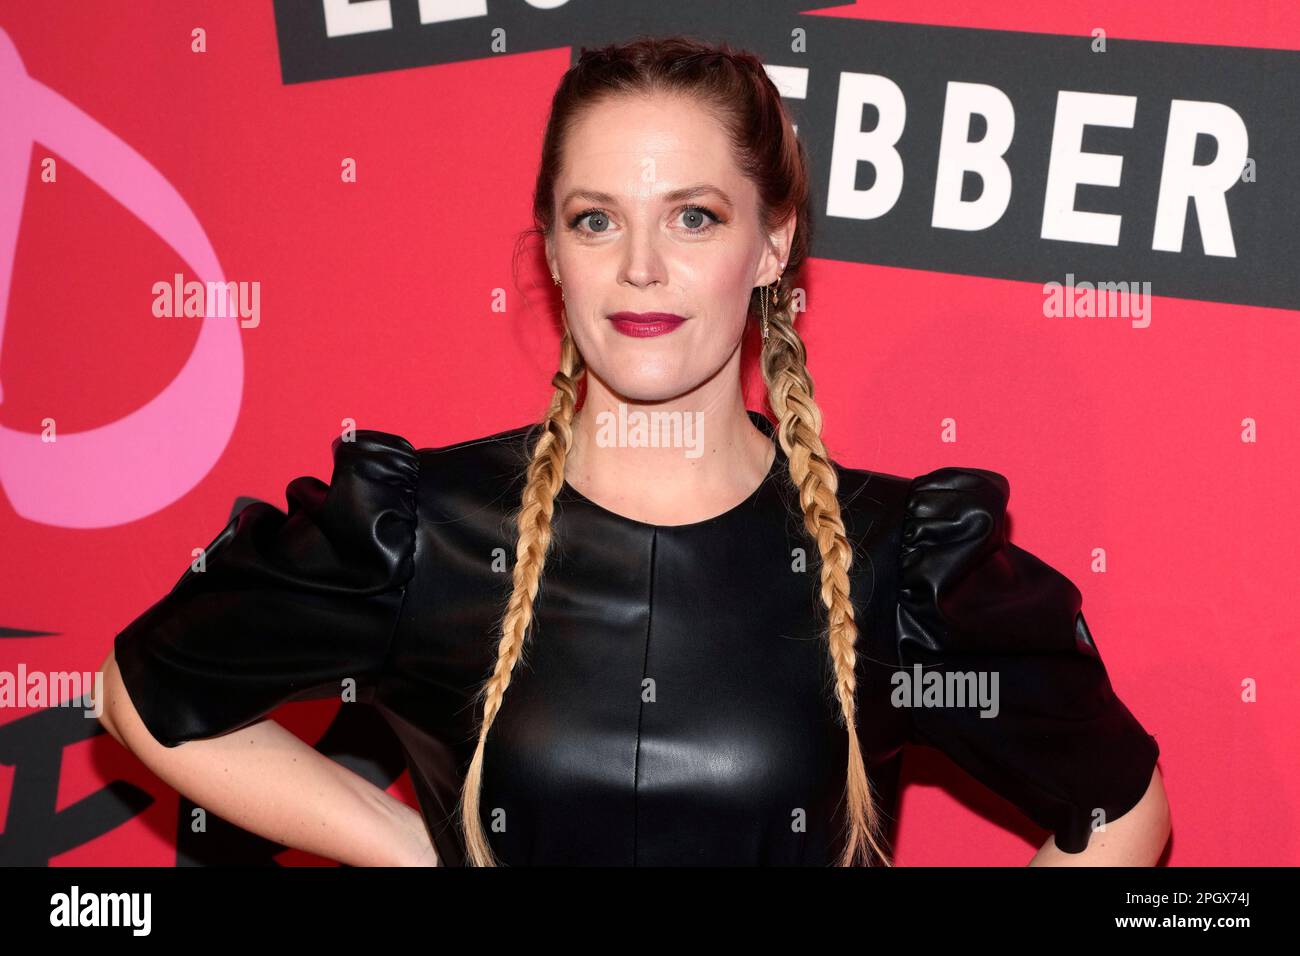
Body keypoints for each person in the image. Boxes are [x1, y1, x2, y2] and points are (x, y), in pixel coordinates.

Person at [98, 36, 1169, 867]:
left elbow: (1121, 810)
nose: (641, 267)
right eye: (596, 219)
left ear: (773, 243)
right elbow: (142, 693)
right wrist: (414, 849)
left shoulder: (893, 559)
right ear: (553, 249)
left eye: (694, 217)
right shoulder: (424, 532)